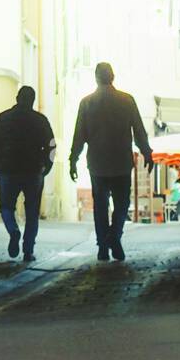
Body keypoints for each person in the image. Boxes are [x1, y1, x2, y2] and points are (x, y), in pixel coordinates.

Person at [69, 62, 153, 262]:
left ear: (96, 78)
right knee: (122, 204)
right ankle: (114, 237)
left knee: (100, 205)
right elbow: (139, 131)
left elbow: (79, 135)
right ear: (112, 76)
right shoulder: (127, 100)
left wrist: (73, 159)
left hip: (97, 163)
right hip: (121, 161)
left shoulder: (87, 103)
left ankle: (102, 247)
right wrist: (147, 153)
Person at [0, 85, 56, 262]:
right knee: (32, 211)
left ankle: (13, 230)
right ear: (32, 100)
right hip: (33, 170)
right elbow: (51, 145)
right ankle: (28, 250)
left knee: (6, 207)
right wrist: (46, 166)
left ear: (17, 98)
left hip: (7, 169)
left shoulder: (2, 119)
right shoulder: (40, 120)